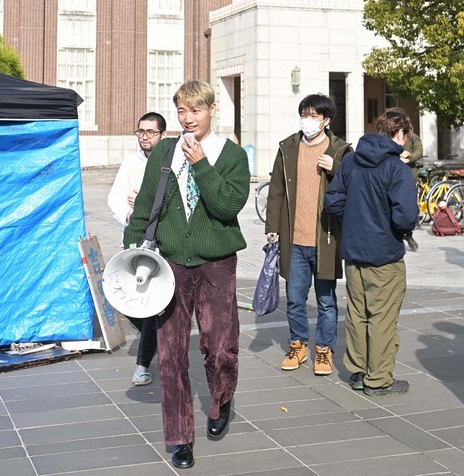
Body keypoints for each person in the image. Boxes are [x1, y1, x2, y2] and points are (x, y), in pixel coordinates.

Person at [124, 80, 250, 470]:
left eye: (195, 110)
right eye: (181, 111)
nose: (187, 118)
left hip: (216, 261)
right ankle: (180, 437)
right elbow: (146, 202)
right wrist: (132, 249)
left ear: (212, 110)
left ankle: (221, 399)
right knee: (171, 354)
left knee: (219, 346)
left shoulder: (232, 155)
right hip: (171, 263)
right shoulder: (164, 149)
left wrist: (201, 166)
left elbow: (228, 206)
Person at [324, 109, 419, 396]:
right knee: (382, 318)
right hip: (384, 254)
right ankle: (378, 379)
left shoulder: (352, 160)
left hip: (354, 251)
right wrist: (392, 227)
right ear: (400, 133)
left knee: (357, 313)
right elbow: (405, 216)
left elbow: (332, 201)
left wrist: (355, 218)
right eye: (407, 136)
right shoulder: (396, 167)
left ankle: (358, 371)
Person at [265, 93, 352, 376]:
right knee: (294, 297)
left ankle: (324, 349)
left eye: (314, 116)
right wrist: (272, 227)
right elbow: (276, 190)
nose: (308, 120)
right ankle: (298, 345)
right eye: (305, 114)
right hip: (294, 238)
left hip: (325, 238)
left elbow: (355, 186)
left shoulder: (340, 150)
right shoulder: (288, 147)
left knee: (326, 301)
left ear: (326, 120)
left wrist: (336, 169)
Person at [107, 111, 167, 386]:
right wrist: (128, 215)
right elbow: (115, 198)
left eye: (150, 132)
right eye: (141, 131)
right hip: (133, 241)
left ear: (162, 135)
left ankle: (142, 363)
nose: (144, 137)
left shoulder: (170, 161)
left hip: (162, 244)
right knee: (129, 301)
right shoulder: (131, 163)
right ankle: (160, 336)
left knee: (155, 304)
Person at [400, 129, 423, 251]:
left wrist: (409, 158)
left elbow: (419, 151)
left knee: (410, 209)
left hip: (409, 176)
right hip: (393, 177)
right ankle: (398, 237)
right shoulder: (389, 135)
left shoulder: (412, 137)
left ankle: (409, 235)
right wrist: (399, 154)